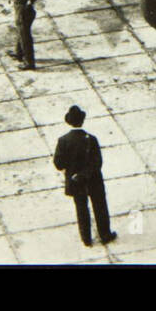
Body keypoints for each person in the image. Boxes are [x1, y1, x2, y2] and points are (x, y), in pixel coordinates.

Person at [53, 105, 116, 247]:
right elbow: (97, 162)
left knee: (81, 209)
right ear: (82, 121)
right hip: (93, 179)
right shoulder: (91, 139)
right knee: (99, 206)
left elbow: (58, 163)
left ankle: (86, 239)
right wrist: (85, 174)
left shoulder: (63, 141)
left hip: (75, 181)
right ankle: (105, 234)